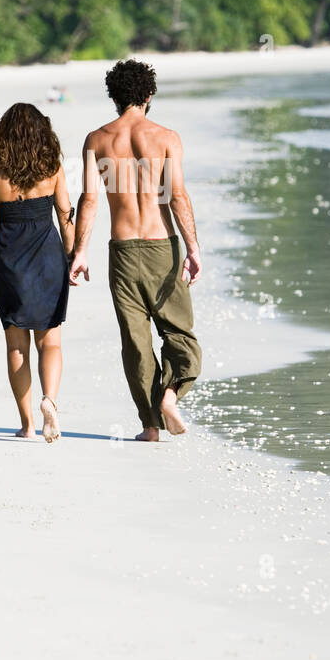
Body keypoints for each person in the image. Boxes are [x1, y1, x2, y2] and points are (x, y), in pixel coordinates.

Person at [69, 59, 202, 442]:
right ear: (148, 95)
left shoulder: (97, 140)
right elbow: (177, 196)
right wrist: (193, 248)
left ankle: (149, 426)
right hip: (162, 246)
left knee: (136, 341)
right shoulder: (166, 138)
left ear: (114, 96)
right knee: (180, 334)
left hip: (122, 250)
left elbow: (90, 201)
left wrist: (80, 252)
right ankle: (172, 395)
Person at [0, 103, 75, 442]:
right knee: (50, 341)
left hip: (9, 265)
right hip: (48, 262)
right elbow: (65, 215)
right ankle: (50, 400)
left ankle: (27, 424)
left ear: (3, 135)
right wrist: (73, 258)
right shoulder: (53, 169)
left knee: (17, 346)